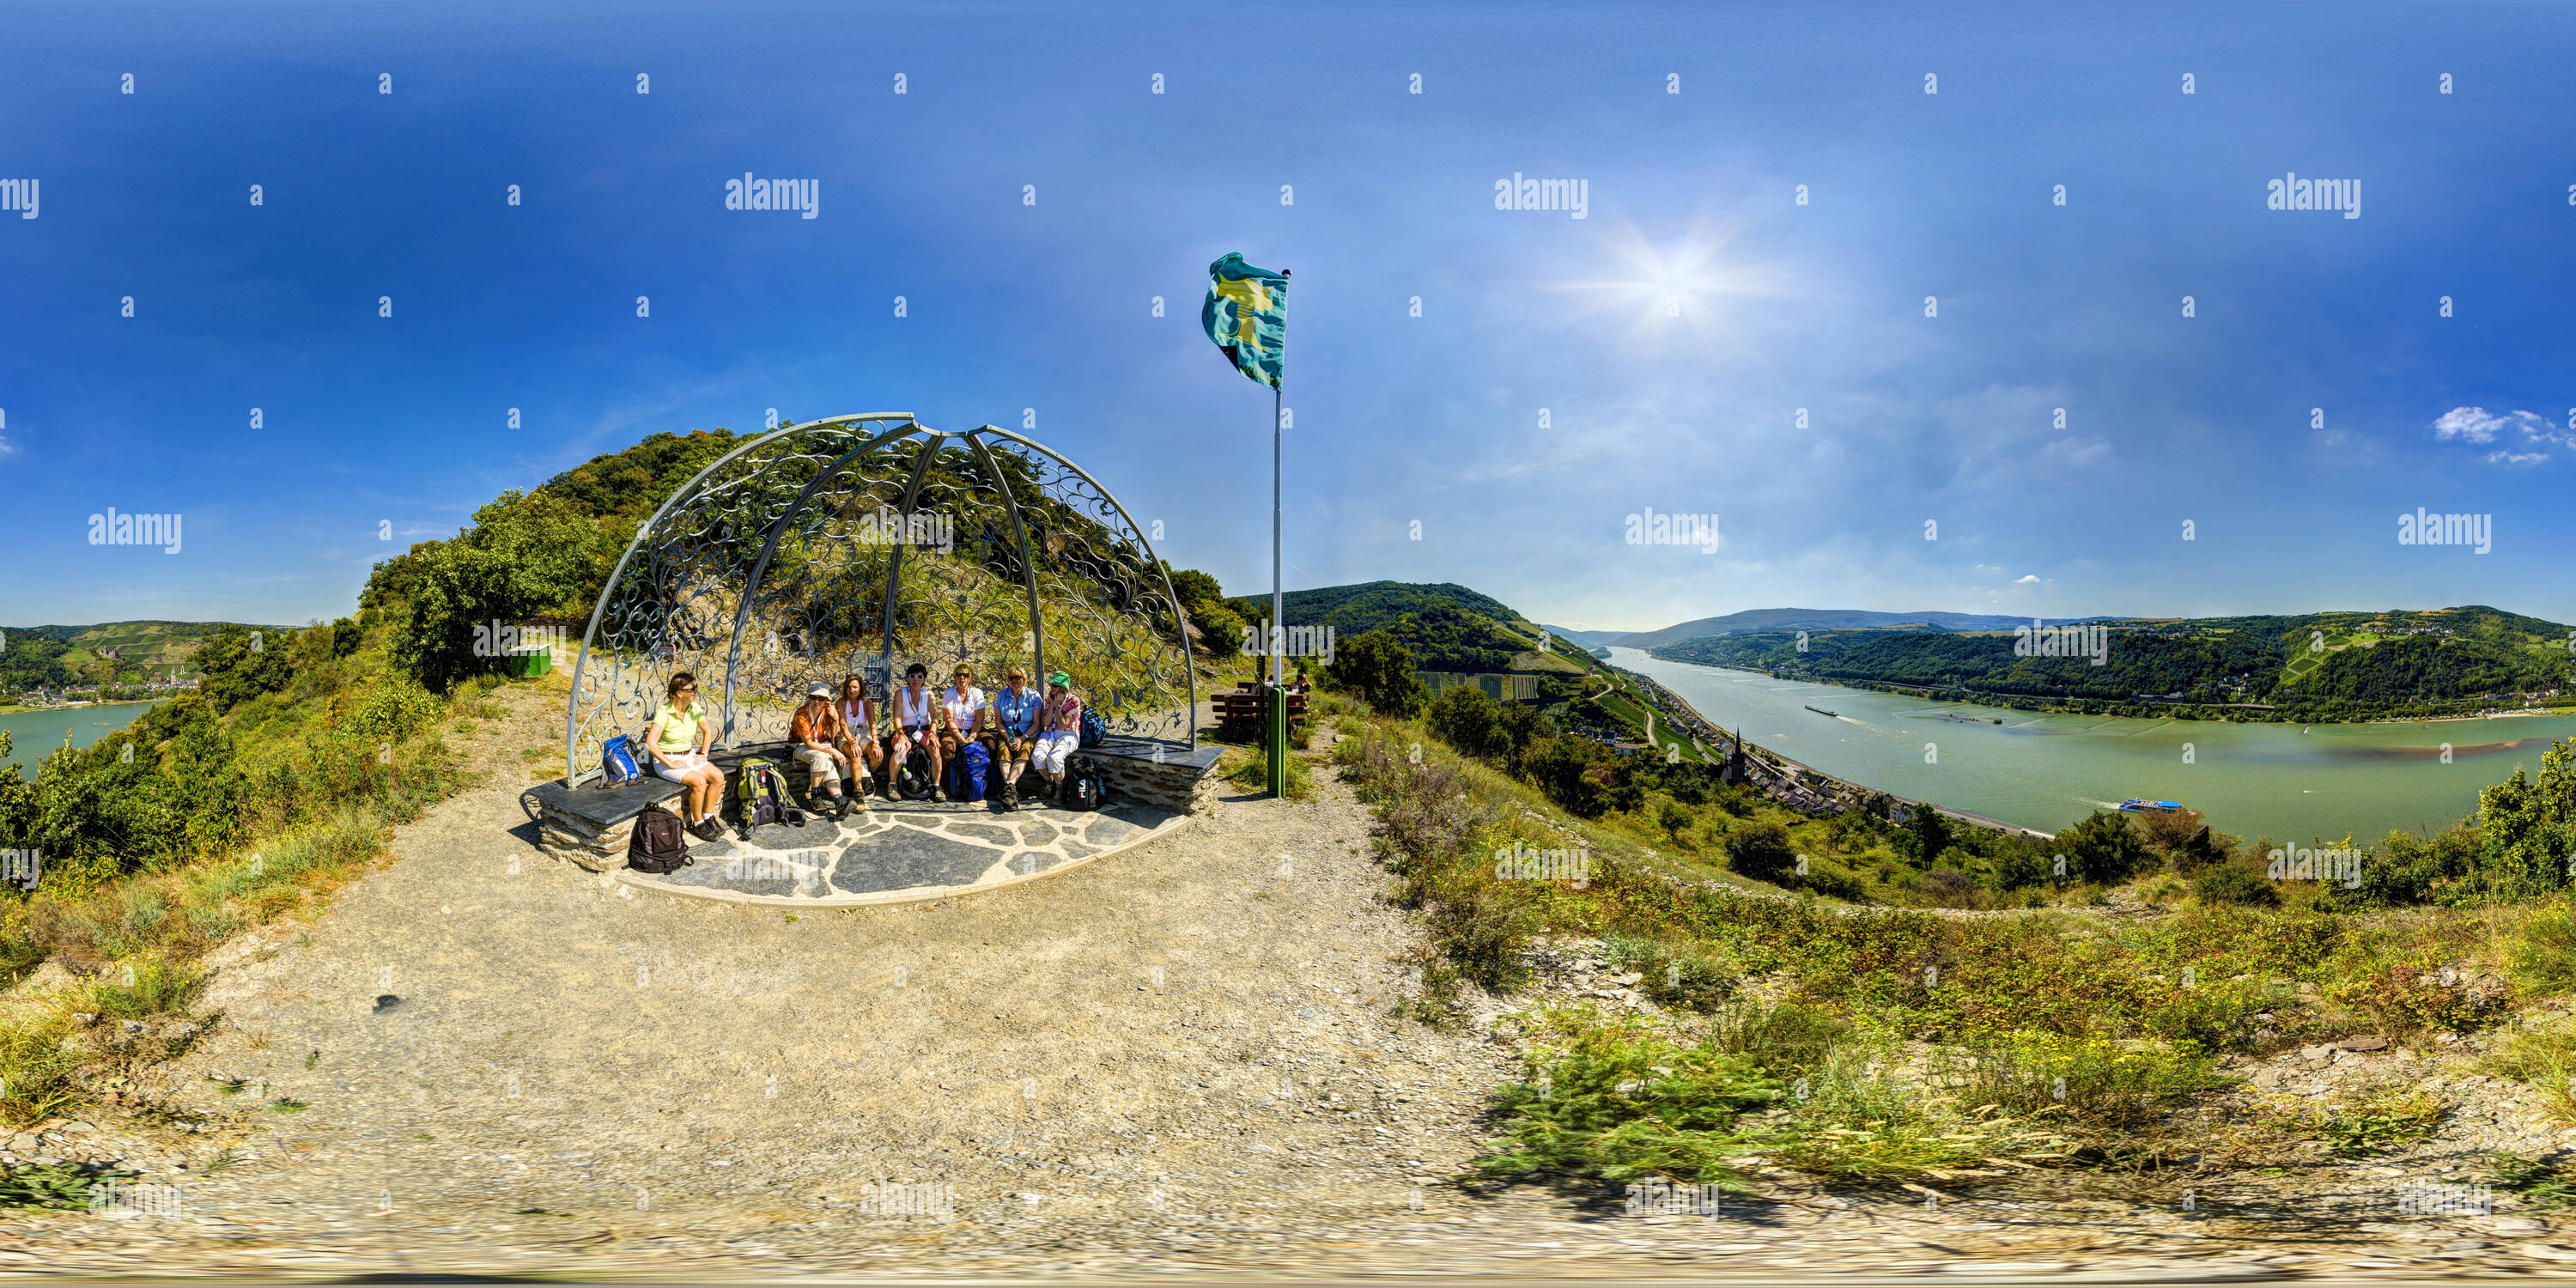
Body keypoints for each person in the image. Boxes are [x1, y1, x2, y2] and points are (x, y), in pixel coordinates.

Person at [644, 672, 728, 841]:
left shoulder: (694, 708)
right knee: (699, 781)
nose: (695, 692)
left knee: (718, 776)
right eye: (691, 689)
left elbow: (707, 731)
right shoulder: (665, 712)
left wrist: (704, 754)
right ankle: (697, 823)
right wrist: (670, 763)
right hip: (666, 761)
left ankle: (708, 816)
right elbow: (650, 743)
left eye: (695, 688)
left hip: (689, 756)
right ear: (678, 692)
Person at [788, 683, 855, 819]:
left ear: (826, 700)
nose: (817, 701)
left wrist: (835, 719)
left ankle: (838, 800)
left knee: (826, 759)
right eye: (813, 697)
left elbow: (831, 735)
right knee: (821, 756)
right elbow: (808, 742)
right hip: (798, 746)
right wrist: (832, 750)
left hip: (820, 744)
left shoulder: (826, 711)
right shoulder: (801, 714)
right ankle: (816, 796)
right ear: (809, 698)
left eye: (821, 698)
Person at [888, 662, 947, 801]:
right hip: (906, 730)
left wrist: (932, 733)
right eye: (912, 676)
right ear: (908, 678)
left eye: (920, 676)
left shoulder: (928, 695)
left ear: (924, 679)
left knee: (934, 748)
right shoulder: (900, 694)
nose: (916, 679)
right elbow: (896, 717)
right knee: (901, 749)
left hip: (924, 731)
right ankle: (892, 784)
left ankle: (937, 786)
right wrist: (901, 734)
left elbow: (935, 717)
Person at [990, 666, 1042, 810]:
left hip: (1028, 733)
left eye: (1017, 677)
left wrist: (1022, 738)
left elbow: (1037, 723)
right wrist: (1008, 738)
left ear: (1024, 679)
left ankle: (1008, 787)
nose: (1014, 680)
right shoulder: (1001, 695)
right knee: (1003, 750)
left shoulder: (1034, 696)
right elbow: (999, 722)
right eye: (1011, 678)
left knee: (1025, 750)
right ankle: (1011, 790)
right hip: (1007, 733)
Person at [939, 665, 991, 797]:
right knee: (947, 746)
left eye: (965, 675)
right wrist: (960, 738)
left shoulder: (977, 693)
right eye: (958, 675)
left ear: (970, 677)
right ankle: (947, 785)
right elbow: (948, 719)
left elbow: (979, 719)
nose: (962, 678)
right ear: (955, 677)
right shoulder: (950, 693)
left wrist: (972, 736)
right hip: (954, 730)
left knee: (991, 744)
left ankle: (987, 784)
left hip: (974, 728)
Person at [1031, 671, 1083, 801]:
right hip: (1050, 732)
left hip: (1068, 734)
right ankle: (1050, 783)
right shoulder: (1050, 699)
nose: (1051, 688)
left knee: (1054, 757)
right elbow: (1046, 722)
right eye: (1051, 685)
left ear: (1062, 688)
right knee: (1037, 756)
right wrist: (1052, 705)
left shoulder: (1074, 701)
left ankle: (1060, 789)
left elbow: (1064, 724)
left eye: (1054, 686)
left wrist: (1057, 707)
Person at [832, 673, 881, 808]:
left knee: (877, 755)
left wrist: (876, 743)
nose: (851, 690)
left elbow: (872, 724)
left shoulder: (866, 702)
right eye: (848, 687)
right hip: (847, 736)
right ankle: (859, 791)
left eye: (854, 687)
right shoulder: (841, 703)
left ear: (860, 688)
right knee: (855, 754)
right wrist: (853, 742)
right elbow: (842, 726)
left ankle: (870, 772)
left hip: (863, 734)